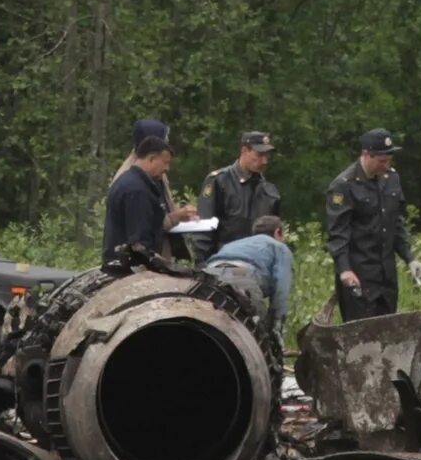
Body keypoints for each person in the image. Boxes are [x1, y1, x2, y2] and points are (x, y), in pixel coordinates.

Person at [325, 128, 410, 322]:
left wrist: (409, 257)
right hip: (359, 274)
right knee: (360, 337)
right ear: (366, 155)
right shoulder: (344, 185)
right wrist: (344, 269)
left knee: (388, 334)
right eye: (381, 161)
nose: (386, 165)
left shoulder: (392, 179)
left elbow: (396, 223)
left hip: (386, 276)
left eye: (388, 160)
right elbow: (338, 232)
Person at [101, 118, 195, 261]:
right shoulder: (135, 187)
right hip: (130, 269)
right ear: (152, 157)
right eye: (165, 163)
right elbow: (139, 241)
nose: (167, 168)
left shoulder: (143, 176)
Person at [191, 131, 281, 262]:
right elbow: (204, 229)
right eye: (259, 155)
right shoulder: (220, 182)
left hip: (258, 265)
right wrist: (202, 266)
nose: (265, 161)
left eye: (267, 155)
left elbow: (276, 236)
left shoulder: (269, 191)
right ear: (244, 150)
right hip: (224, 262)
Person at [208, 214, 295, 317]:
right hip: (241, 275)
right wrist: (276, 323)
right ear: (277, 233)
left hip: (210, 272)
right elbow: (281, 290)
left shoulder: (233, 244)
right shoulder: (279, 247)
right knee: (258, 325)